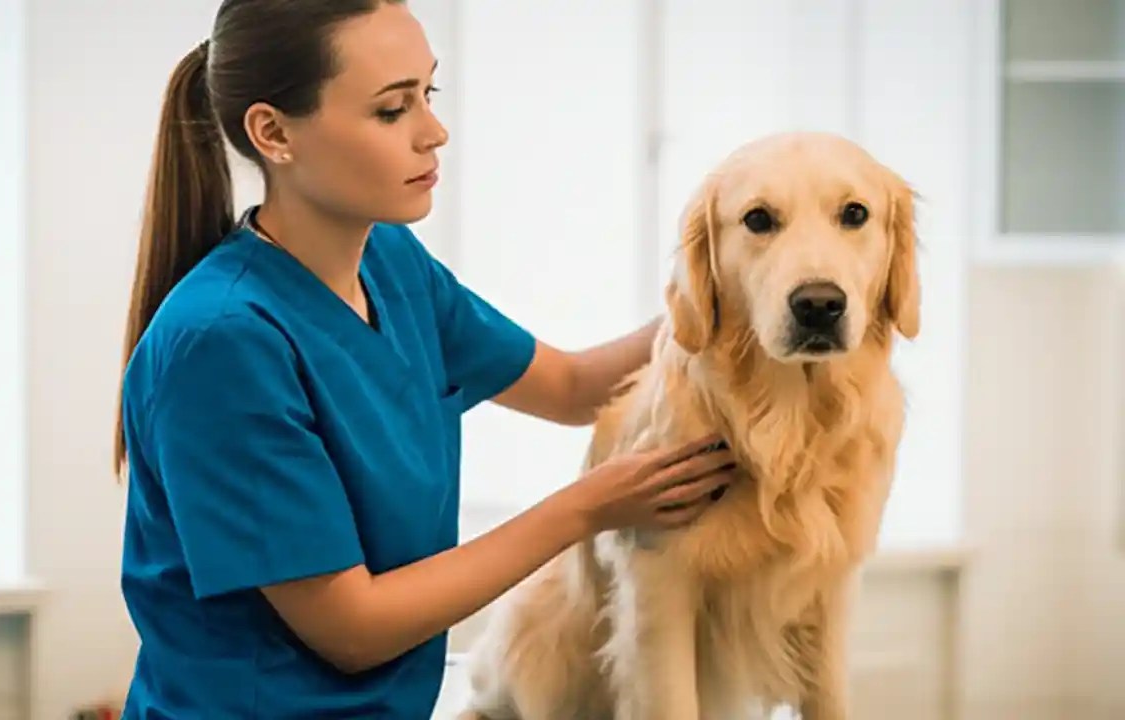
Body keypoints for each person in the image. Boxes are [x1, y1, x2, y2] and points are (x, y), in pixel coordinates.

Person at [113, 1, 737, 717]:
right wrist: (587, 507)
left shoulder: (393, 264)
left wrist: (724, 302)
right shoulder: (222, 344)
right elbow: (353, 629)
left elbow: (571, 386)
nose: (434, 133)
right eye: (391, 110)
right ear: (274, 132)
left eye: (427, 95)